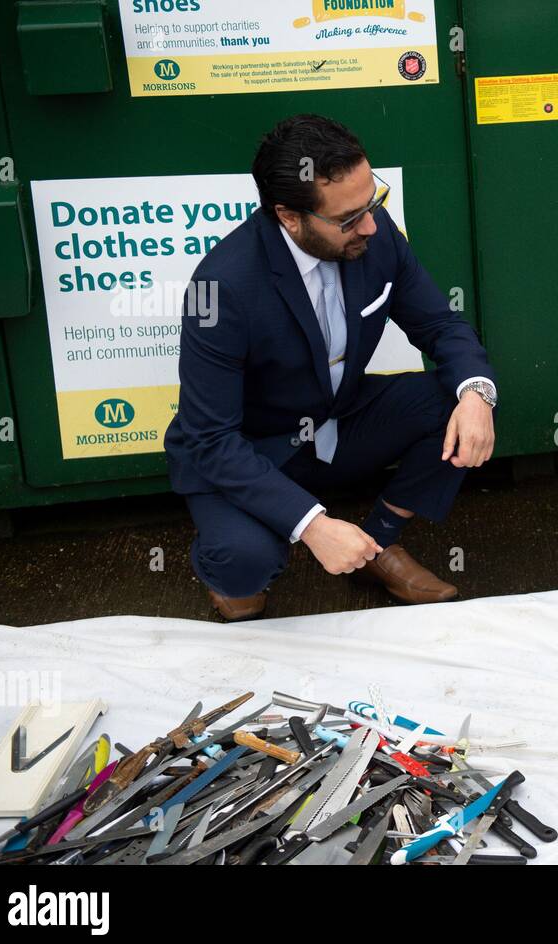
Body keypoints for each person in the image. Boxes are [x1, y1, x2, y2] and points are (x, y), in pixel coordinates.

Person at [165, 115, 497, 621]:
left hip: (340, 421)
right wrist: (314, 525)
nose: (370, 225)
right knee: (242, 561)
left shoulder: (375, 234)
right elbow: (210, 439)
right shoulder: (221, 288)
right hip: (255, 448)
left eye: (373, 202)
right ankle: (239, 567)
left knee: (463, 399)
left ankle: (377, 545)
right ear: (289, 217)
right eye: (348, 218)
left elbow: (439, 325)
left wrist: (476, 395)